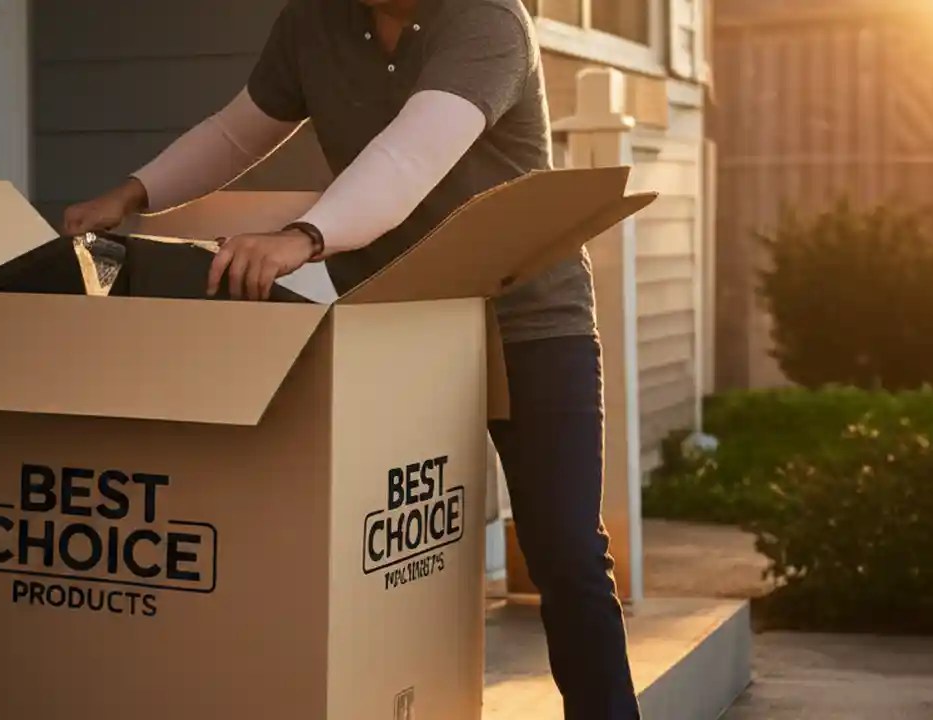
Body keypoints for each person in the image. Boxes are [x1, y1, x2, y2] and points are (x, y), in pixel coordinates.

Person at [62, 0, 640, 716]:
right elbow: (238, 133)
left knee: (565, 556)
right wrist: (133, 192)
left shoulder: (488, 20)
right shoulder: (314, 22)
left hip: (528, 321)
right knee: (390, 555)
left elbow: (410, 158)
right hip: (398, 328)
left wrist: (301, 237)